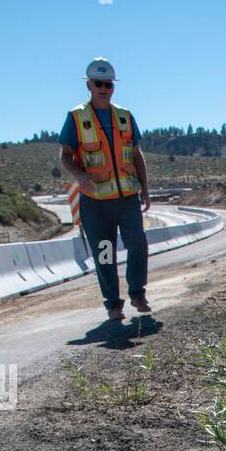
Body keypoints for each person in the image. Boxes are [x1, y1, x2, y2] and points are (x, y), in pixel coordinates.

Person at [59, 58, 152, 321]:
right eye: (98, 83)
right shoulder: (76, 118)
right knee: (105, 252)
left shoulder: (125, 116)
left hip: (126, 198)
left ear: (113, 87)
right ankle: (113, 303)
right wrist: (78, 175)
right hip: (95, 201)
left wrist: (145, 189)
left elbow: (136, 155)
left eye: (108, 84)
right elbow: (65, 155)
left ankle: (137, 293)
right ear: (89, 85)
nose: (104, 88)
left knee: (138, 244)